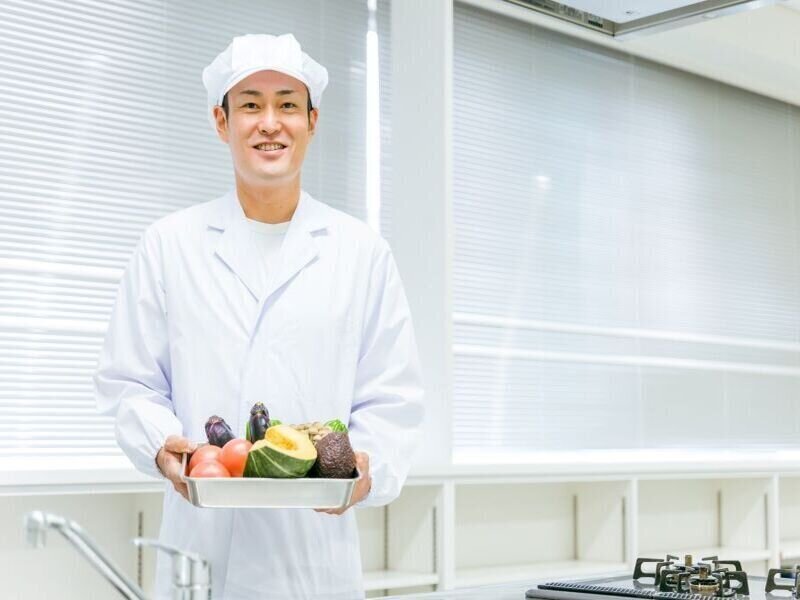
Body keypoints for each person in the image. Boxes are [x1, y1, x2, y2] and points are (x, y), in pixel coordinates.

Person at [95, 33, 424, 600]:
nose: (270, 123)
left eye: (287, 105)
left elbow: (392, 399)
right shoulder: (168, 245)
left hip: (314, 564)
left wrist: (368, 469)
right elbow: (129, 383)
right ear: (221, 122)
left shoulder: (362, 253)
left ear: (312, 121)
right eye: (250, 104)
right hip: (201, 555)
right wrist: (161, 445)